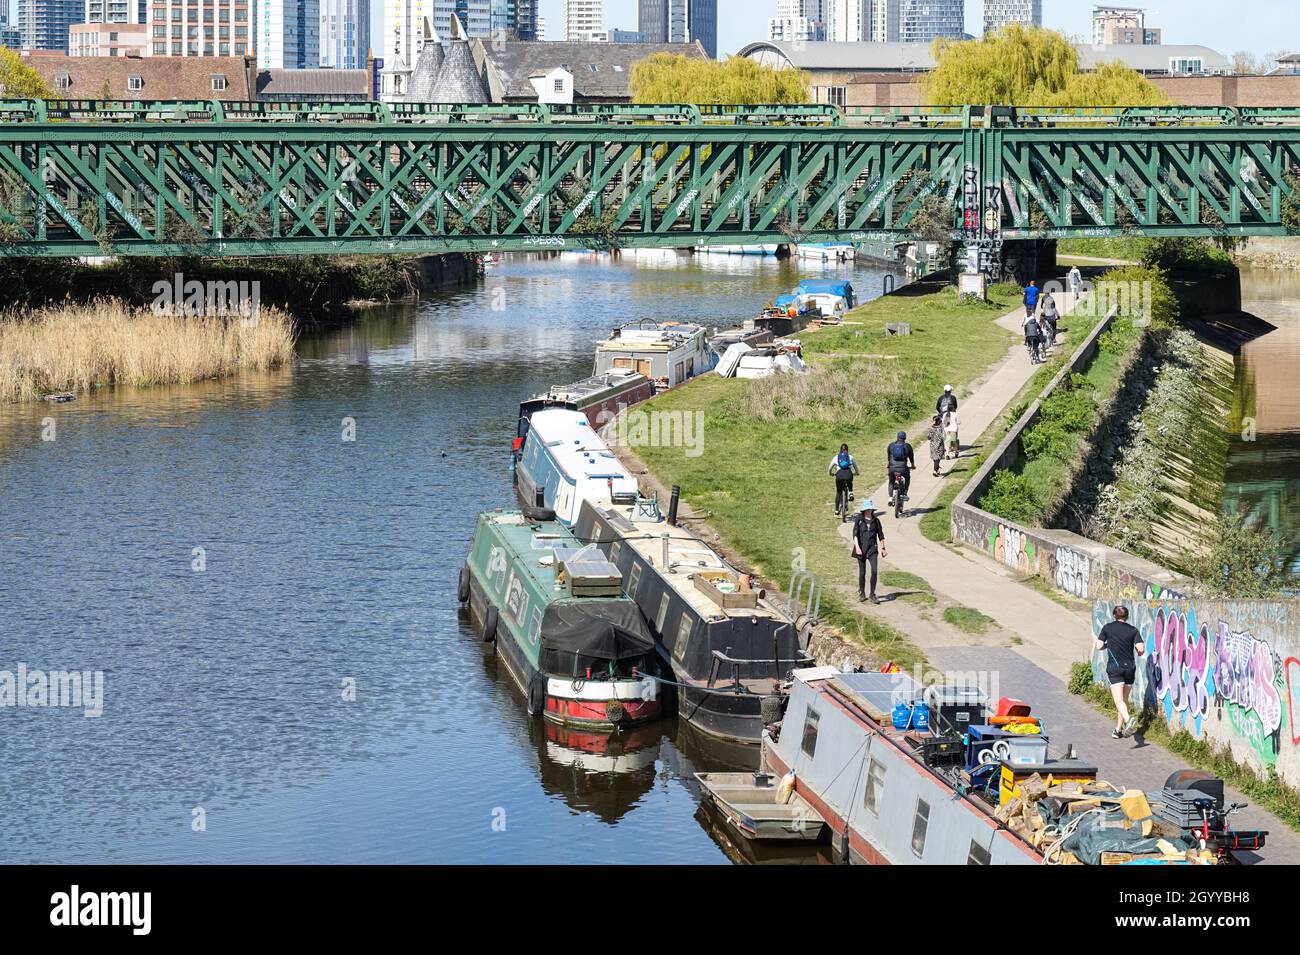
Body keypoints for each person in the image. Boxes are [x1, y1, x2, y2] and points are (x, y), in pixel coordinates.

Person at [1096, 606, 1146, 738]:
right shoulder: (1133, 630)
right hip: (1130, 668)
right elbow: (1141, 649)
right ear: (1127, 616)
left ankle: (1129, 720)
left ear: (1114, 615)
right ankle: (1118, 730)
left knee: (1119, 701)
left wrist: (1109, 644)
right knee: (1123, 700)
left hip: (1115, 668)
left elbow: (1099, 646)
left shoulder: (1107, 628)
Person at [851, 500, 886, 604]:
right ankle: (862, 593)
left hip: (872, 549)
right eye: (867, 509)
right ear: (864, 510)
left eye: (870, 508)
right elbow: (855, 534)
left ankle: (872, 594)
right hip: (861, 548)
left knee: (874, 571)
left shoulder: (876, 521)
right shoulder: (859, 520)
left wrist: (883, 548)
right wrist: (857, 547)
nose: (869, 510)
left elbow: (881, 535)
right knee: (862, 573)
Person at [828, 443, 859, 515]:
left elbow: (830, 468)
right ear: (847, 450)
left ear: (840, 449)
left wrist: (830, 473)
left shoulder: (836, 457)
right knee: (849, 482)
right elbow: (855, 466)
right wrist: (857, 473)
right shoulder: (850, 457)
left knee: (839, 492)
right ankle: (850, 492)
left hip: (839, 475)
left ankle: (836, 510)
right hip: (848, 474)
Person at [886, 430, 915, 505]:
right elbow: (911, 457)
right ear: (905, 438)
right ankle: (905, 493)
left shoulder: (891, 445)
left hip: (892, 468)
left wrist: (889, 464)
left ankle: (890, 498)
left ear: (897, 437)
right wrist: (912, 465)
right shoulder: (907, 446)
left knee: (891, 481)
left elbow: (889, 456)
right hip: (903, 468)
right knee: (907, 478)